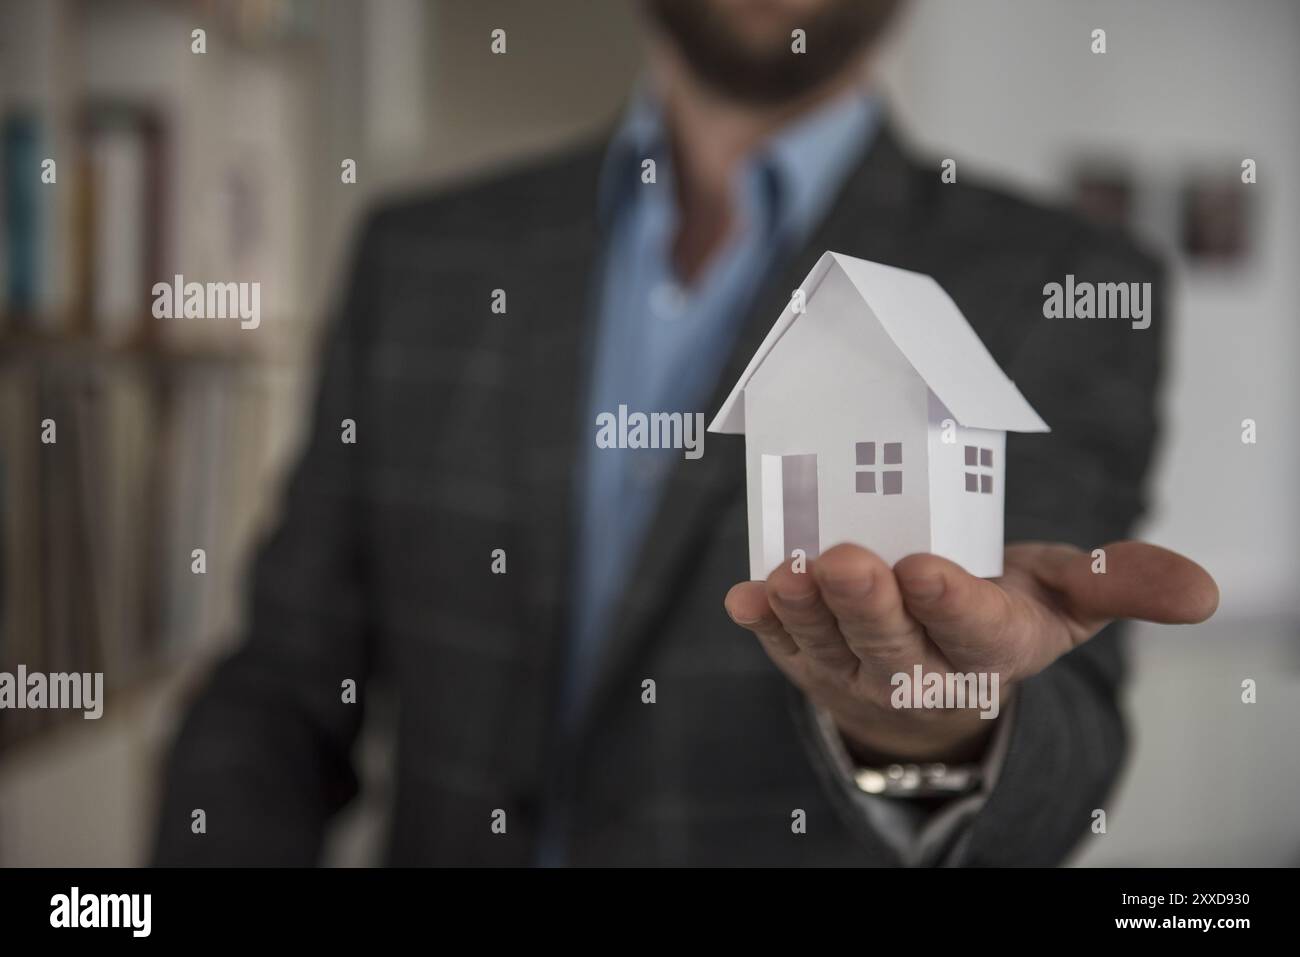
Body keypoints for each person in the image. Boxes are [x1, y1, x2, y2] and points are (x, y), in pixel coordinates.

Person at [155, 0, 1217, 866]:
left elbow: (1057, 762)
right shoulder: (420, 256)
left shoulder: (1066, 281)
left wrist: (928, 732)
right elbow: (286, 685)